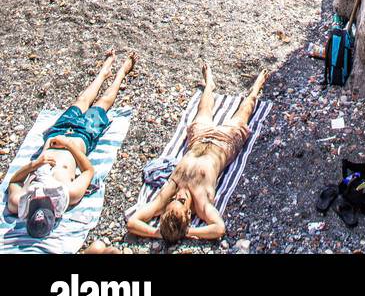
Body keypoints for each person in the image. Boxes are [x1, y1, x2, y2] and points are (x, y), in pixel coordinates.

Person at [125, 61, 268, 244]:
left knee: (202, 111)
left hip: (198, 140)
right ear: (188, 214)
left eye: (174, 200)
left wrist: (155, 233)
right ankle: (255, 90)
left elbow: (132, 222)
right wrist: (187, 232)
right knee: (243, 115)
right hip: (224, 144)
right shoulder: (201, 204)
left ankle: (210, 84)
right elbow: (219, 228)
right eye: (182, 202)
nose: (179, 196)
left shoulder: (166, 197)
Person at [5, 50, 135, 239]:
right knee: (102, 104)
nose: (42, 196)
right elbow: (88, 171)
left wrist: (36, 164)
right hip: (81, 137)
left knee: (81, 100)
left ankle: (103, 73)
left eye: (38, 202)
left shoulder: (19, 203)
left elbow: (14, 181)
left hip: (57, 132)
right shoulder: (68, 195)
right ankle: (121, 73)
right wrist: (68, 145)